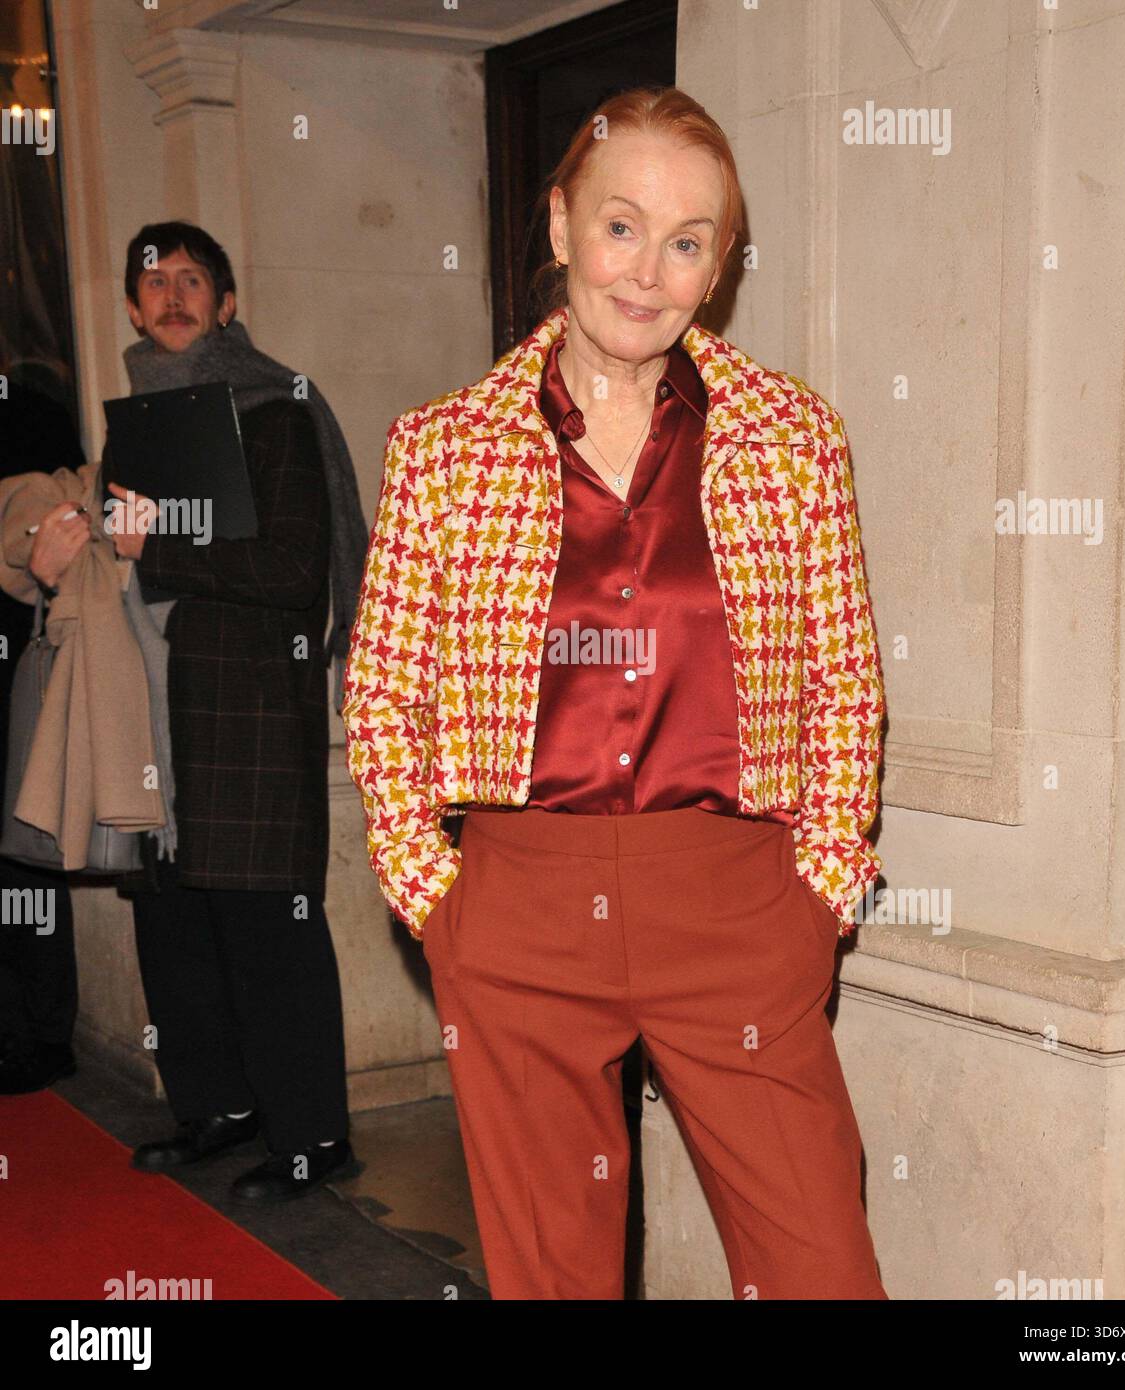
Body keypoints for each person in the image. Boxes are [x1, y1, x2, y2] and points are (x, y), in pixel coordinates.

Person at [343, 86, 888, 1297]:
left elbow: (845, 685)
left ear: (718, 268)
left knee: (820, 1266)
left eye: (688, 241)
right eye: (621, 225)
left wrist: (823, 887)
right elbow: (384, 691)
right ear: (559, 227)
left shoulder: (793, 438)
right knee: (554, 1276)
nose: (647, 272)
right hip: (520, 903)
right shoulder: (442, 447)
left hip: (739, 906)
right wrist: (438, 897)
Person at [27, 221, 368, 1202]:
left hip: (252, 712)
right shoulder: (131, 428)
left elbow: (296, 570)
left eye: (192, 281)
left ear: (226, 302)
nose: (172, 296)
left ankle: (311, 1139)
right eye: (154, 283)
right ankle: (217, 1108)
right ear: (131, 309)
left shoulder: (274, 411)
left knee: (271, 937)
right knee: (175, 935)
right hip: (151, 722)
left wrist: (156, 548)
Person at [0, 371, 81, 1094]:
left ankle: (42, 1034)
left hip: (17, 673)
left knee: (23, 852)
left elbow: (63, 537)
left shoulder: (30, 414)